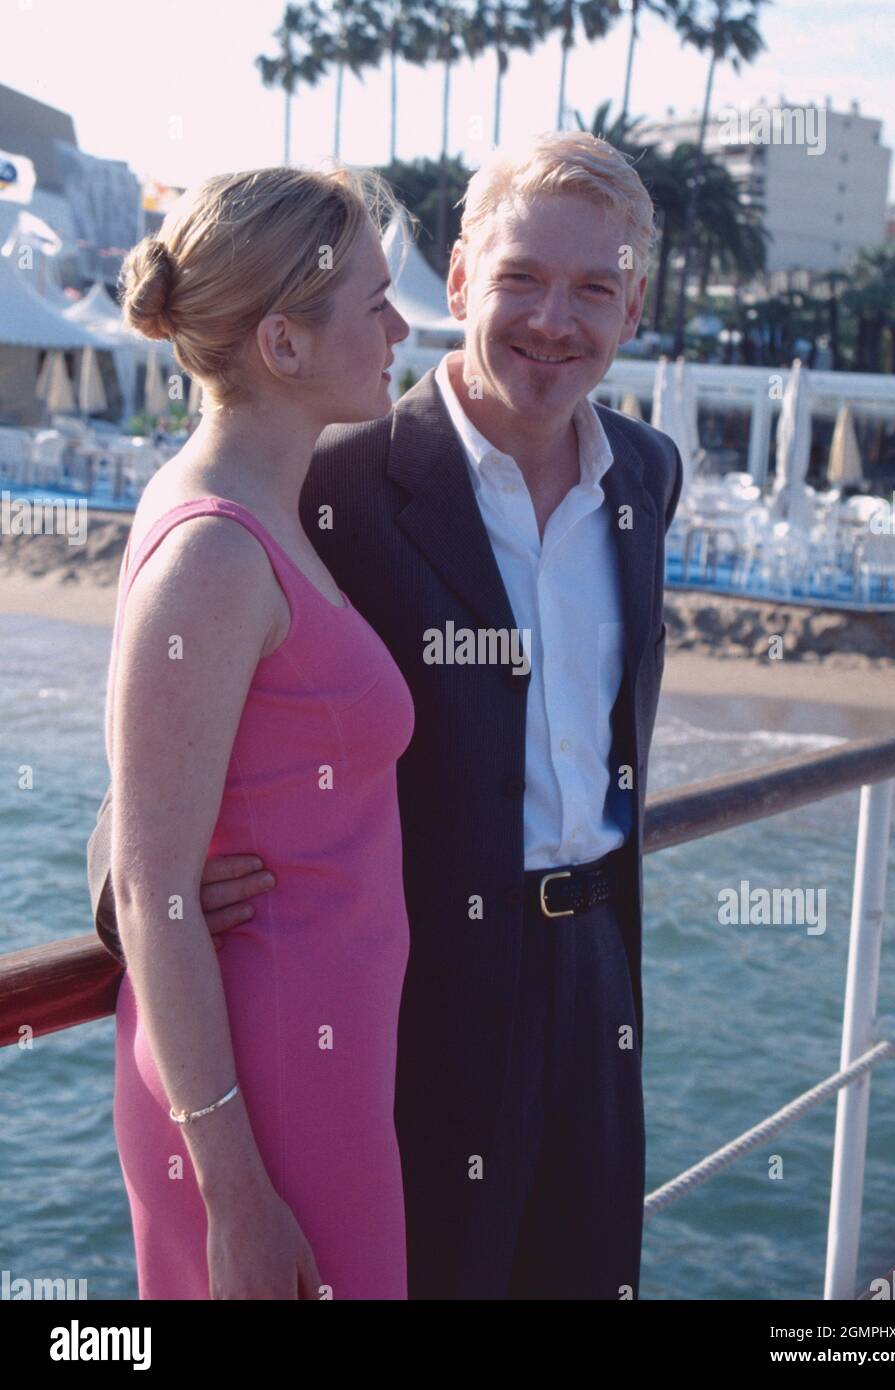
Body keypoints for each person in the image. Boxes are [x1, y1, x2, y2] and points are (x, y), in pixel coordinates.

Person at [90, 131, 683, 1300]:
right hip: (423, 1004)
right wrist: (130, 883)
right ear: (458, 279)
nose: (553, 321)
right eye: (520, 279)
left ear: (634, 305)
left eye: (594, 289)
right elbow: (171, 710)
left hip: (599, 981)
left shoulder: (648, 477)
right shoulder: (332, 480)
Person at [100, 165, 413, 1299]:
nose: (402, 323)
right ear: (281, 344)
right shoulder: (217, 553)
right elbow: (151, 888)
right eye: (374, 300)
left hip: (312, 1069)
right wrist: (235, 1194)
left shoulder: (261, 509)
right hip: (263, 1095)